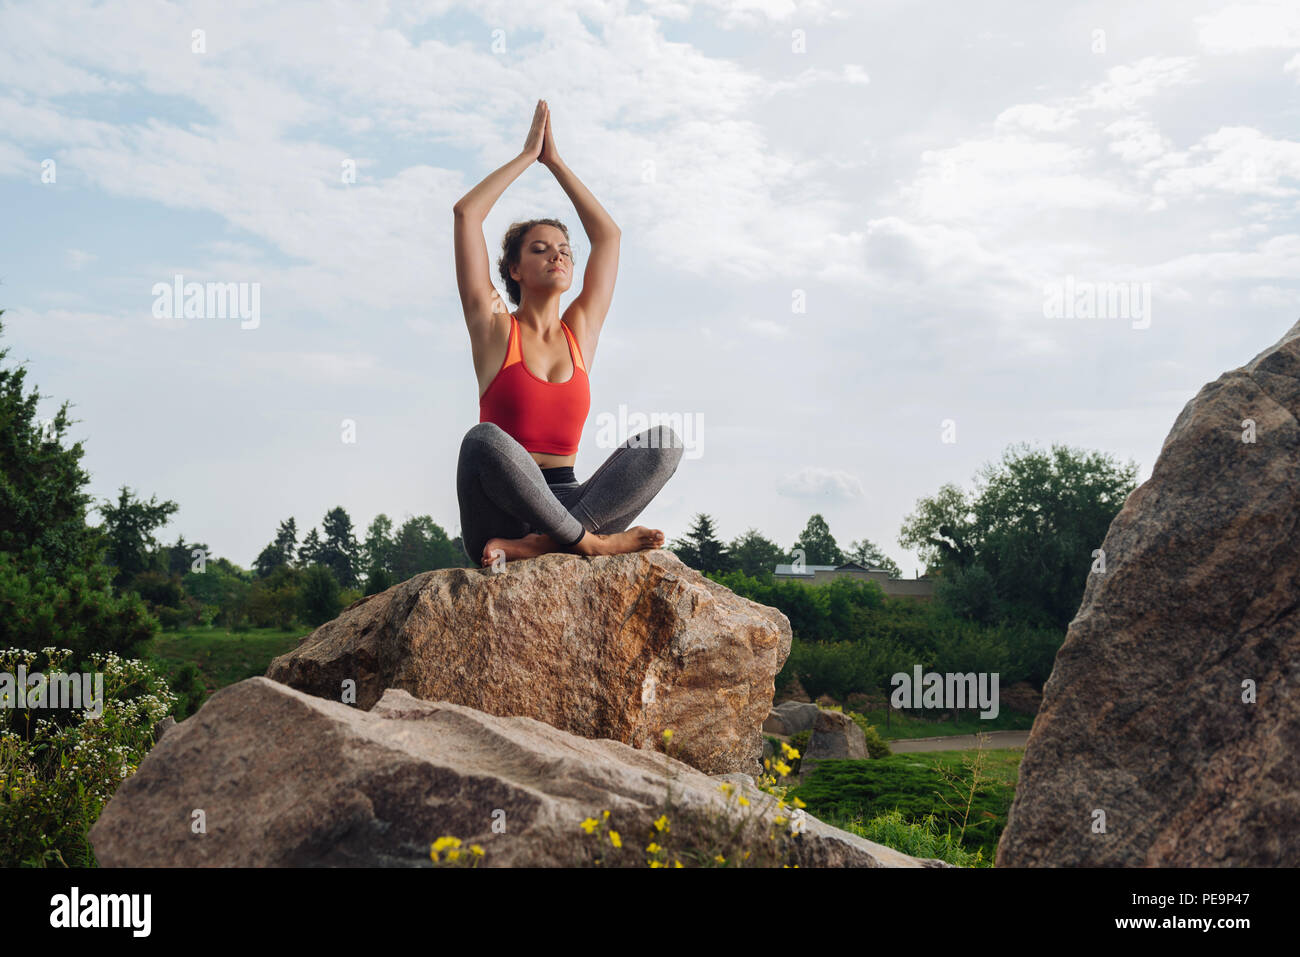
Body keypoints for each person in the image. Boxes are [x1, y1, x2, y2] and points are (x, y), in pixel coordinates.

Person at [453, 99, 683, 568]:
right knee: (483, 440)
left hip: (571, 502)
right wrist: (526, 157)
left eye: (563, 250)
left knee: (664, 443)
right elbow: (466, 214)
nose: (556, 256)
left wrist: (556, 163)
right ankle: (587, 545)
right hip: (499, 513)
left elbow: (609, 237)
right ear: (513, 269)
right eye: (540, 250)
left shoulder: (580, 330)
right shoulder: (495, 325)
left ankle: (544, 547)